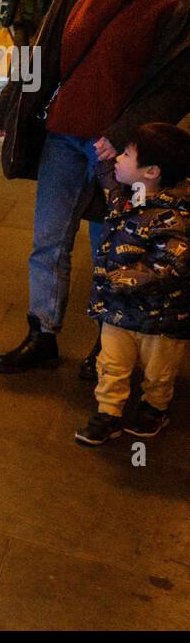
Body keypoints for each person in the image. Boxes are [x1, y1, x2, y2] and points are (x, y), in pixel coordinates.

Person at [0, 0, 190, 376]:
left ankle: (109, 345)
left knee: (113, 246)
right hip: (62, 137)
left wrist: (122, 134)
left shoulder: (174, 1)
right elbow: (45, 54)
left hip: (119, 153)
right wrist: (10, 107)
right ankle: (43, 333)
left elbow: (176, 85)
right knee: (49, 241)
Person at [76, 122, 190, 445]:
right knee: (111, 362)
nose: (118, 159)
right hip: (118, 309)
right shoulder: (124, 194)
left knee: (159, 370)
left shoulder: (175, 216)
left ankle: (154, 407)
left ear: (151, 171)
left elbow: (171, 264)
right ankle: (108, 413)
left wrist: (125, 278)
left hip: (161, 318)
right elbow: (108, 177)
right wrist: (101, 154)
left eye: (126, 154)